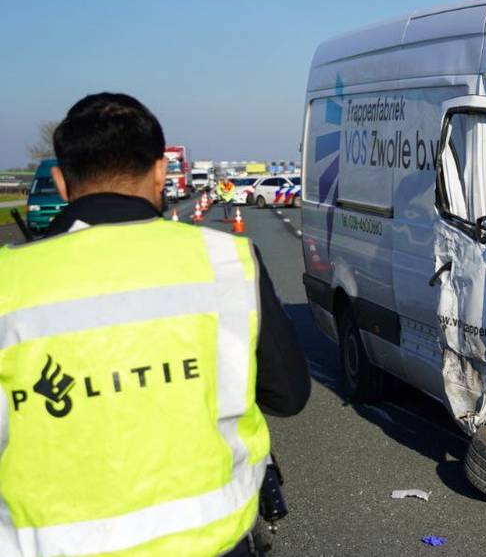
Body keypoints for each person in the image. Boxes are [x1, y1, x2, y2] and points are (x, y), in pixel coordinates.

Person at [0, 93, 311, 556]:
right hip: (212, 542)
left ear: (63, 184)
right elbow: (288, 395)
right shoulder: (226, 261)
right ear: (162, 172)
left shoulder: (10, 280)